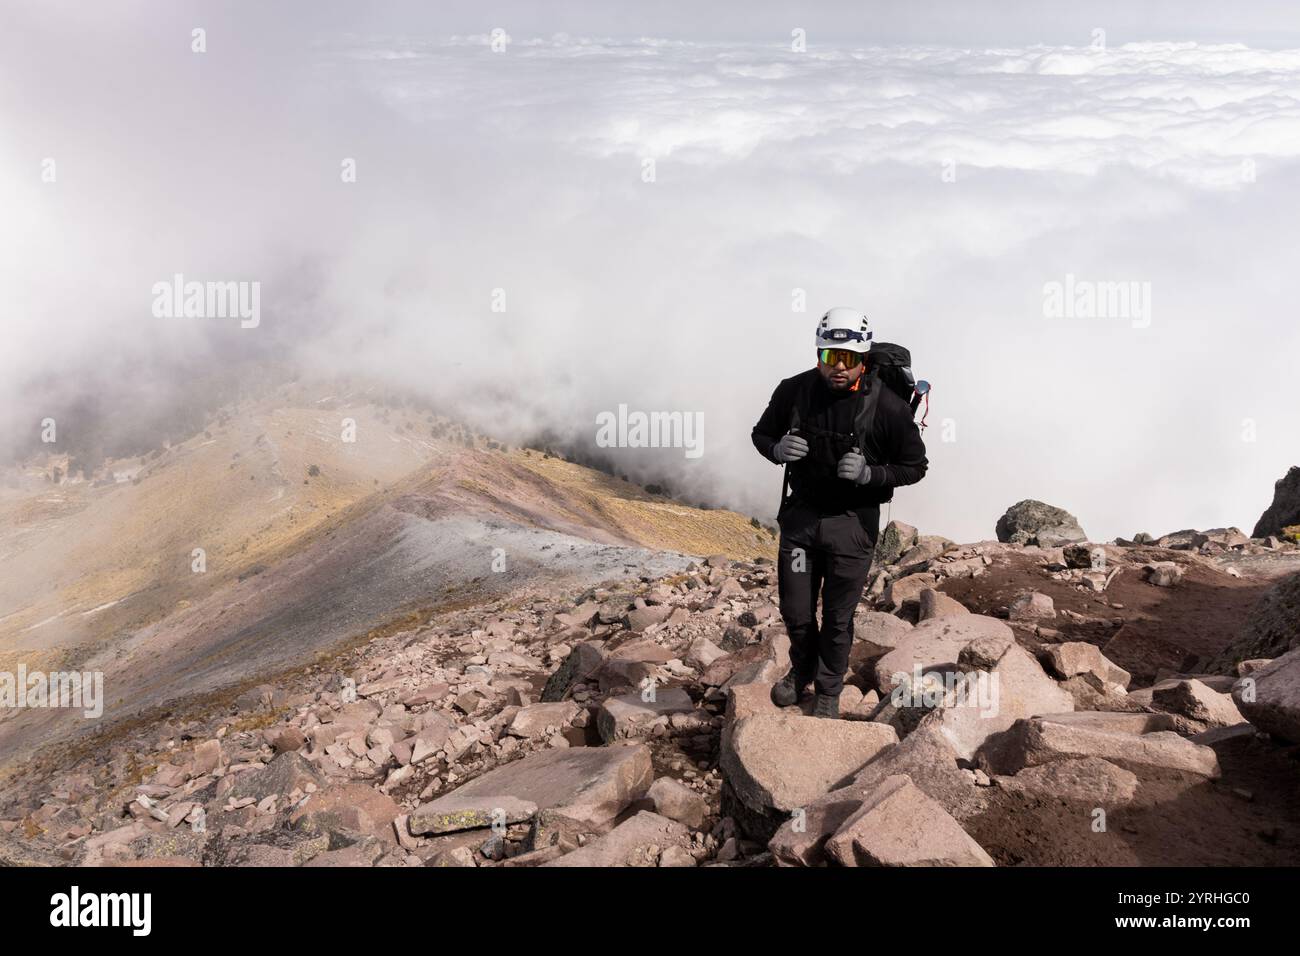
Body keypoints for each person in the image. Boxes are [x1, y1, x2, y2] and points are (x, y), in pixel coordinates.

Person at [751, 308, 929, 718]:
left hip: (852, 524)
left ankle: (828, 690)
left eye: (849, 359)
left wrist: (871, 474)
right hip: (801, 520)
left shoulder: (888, 409)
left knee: (836, 616)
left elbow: (916, 466)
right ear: (819, 355)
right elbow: (761, 434)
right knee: (796, 612)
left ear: (864, 359)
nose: (839, 367)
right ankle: (801, 671)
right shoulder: (793, 391)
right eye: (831, 357)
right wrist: (776, 450)